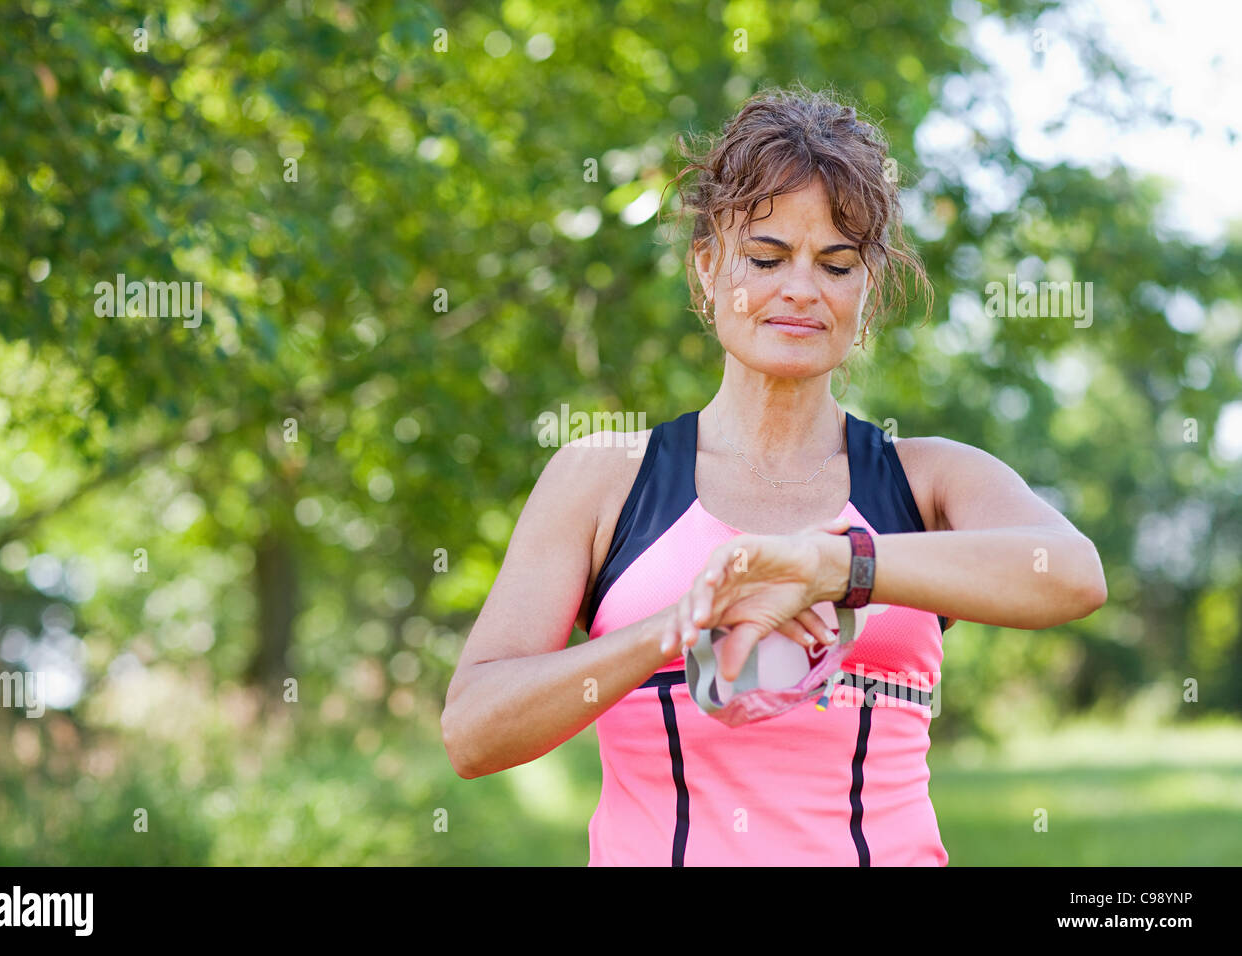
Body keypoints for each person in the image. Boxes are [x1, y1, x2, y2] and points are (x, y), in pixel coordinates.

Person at [441, 83, 1107, 866]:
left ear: (868, 289)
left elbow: (1072, 573)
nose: (800, 289)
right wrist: (684, 623)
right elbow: (474, 733)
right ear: (706, 268)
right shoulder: (603, 479)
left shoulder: (927, 478)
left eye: (836, 264)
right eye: (765, 257)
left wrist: (835, 567)